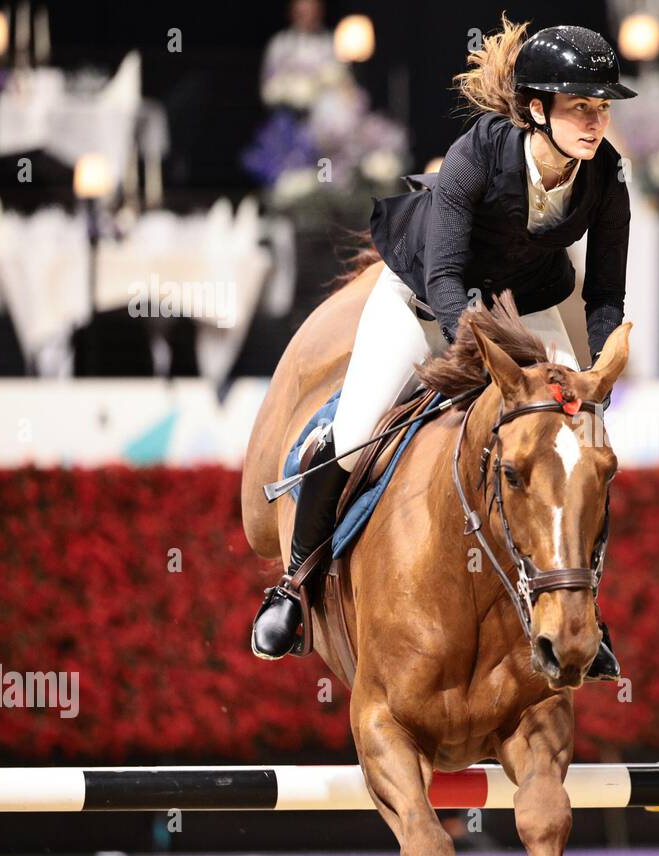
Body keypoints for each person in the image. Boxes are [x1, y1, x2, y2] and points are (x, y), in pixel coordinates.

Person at [251, 17, 635, 679]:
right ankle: (294, 583)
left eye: (600, 107)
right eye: (580, 107)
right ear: (536, 109)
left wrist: (597, 375)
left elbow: (604, 294)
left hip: (528, 301)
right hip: (423, 299)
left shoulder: (605, 176)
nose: (595, 121)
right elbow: (445, 278)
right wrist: (492, 366)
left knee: (574, 447)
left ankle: (578, 614)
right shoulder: (477, 155)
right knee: (352, 433)